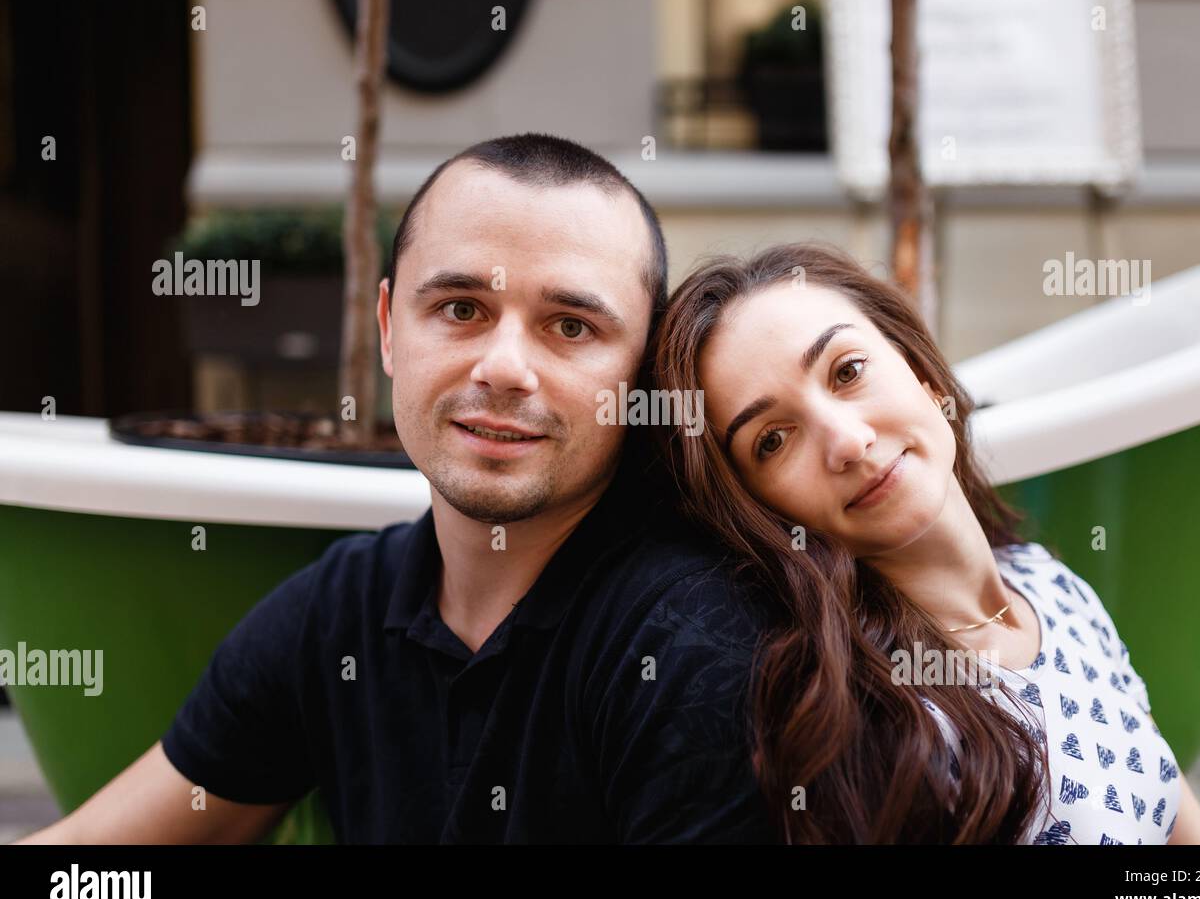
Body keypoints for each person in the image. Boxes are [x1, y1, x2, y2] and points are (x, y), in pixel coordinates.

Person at [16, 134, 779, 844]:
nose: (504, 368)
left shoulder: (695, 646)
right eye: (460, 309)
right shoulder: (342, 611)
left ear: (643, 369)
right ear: (388, 329)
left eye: (571, 326)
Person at [650, 242, 1200, 845]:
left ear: (922, 375)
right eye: (772, 440)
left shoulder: (1055, 589)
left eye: (847, 372)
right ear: (759, 507)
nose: (846, 441)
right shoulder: (866, 717)